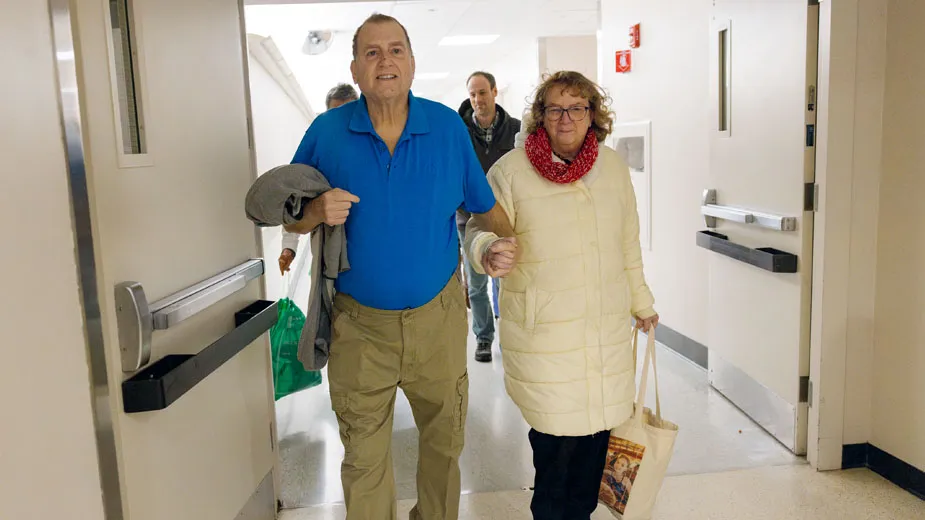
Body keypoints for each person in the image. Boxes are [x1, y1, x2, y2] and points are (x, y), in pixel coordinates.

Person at [282, 14, 511, 520]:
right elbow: (290, 214)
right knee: (364, 459)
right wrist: (316, 212)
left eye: (396, 50)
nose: (385, 61)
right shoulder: (327, 132)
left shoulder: (448, 129)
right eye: (371, 52)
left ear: (411, 62)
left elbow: (484, 208)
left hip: (438, 322)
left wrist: (501, 244)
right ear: (356, 69)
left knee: (444, 448)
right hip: (359, 329)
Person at [464, 71, 659, 520]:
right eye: (555, 108)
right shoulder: (510, 172)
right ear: (541, 117)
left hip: (603, 332)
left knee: (593, 454)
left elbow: (628, 242)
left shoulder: (611, 168)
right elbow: (477, 228)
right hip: (544, 336)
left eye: (576, 107)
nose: (566, 117)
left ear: (592, 115)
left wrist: (642, 303)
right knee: (554, 456)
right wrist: (487, 251)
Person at [456, 71, 520, 362]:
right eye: (472, 94)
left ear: (495, 92)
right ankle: (484, 337)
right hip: (468, 219)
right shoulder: (458, 132)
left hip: (504, 216)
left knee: (504, 279)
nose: (477, 100)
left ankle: (507, 337)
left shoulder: (517, 131)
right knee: (478, 279)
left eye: (482, 93)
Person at [278, 83, 360, 275]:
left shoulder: (376, 146)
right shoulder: (318, 151)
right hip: (328, 246)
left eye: (347, 113)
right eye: (334, 115)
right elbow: (295, 198)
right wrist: (289, 247)